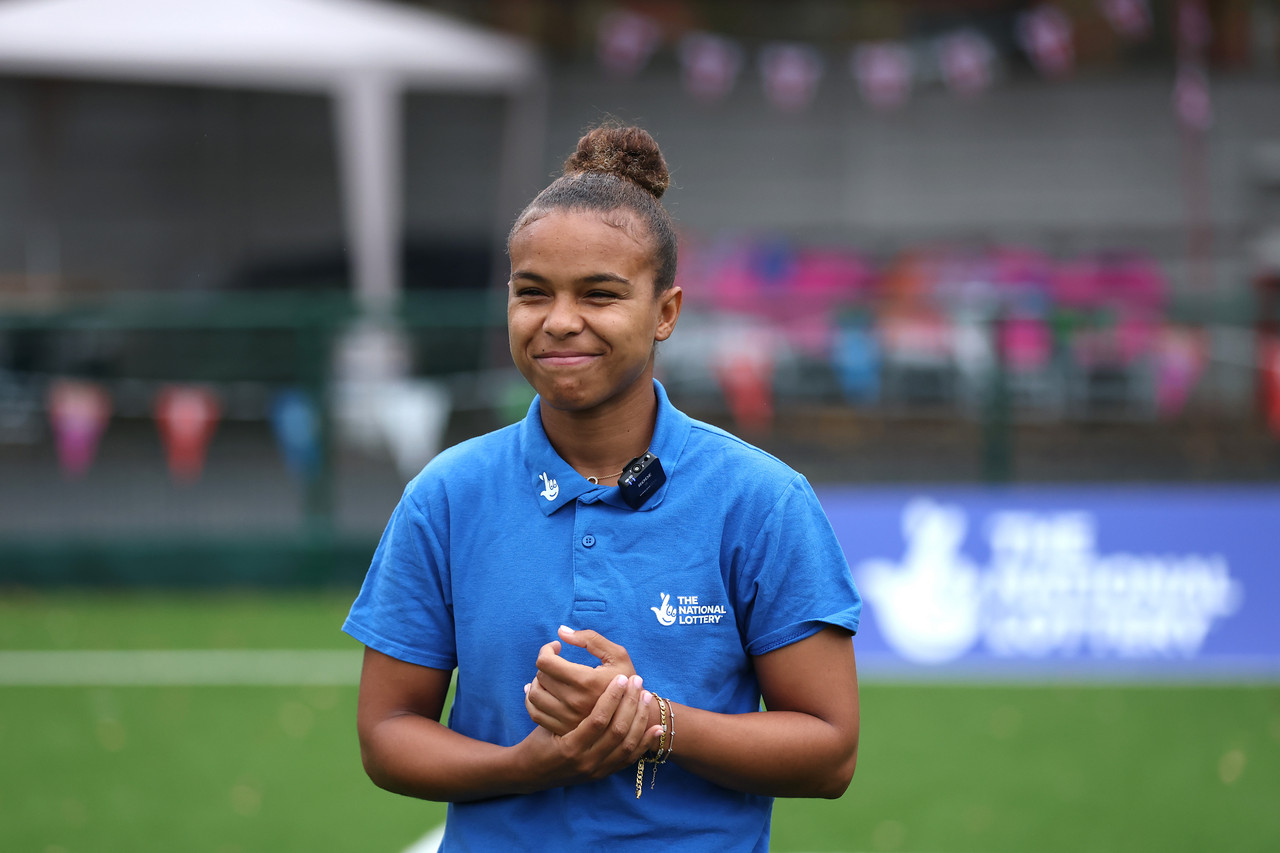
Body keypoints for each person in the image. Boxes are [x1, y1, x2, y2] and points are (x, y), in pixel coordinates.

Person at [343, 123, 861, 852]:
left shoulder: (762, 500)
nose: (559, 321)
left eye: (599, 293)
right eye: (532, 293)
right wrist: (524, 765)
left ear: (666, 313)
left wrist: (654, 721)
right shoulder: (446, 494)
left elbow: (830, 749)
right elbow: (387, 733)